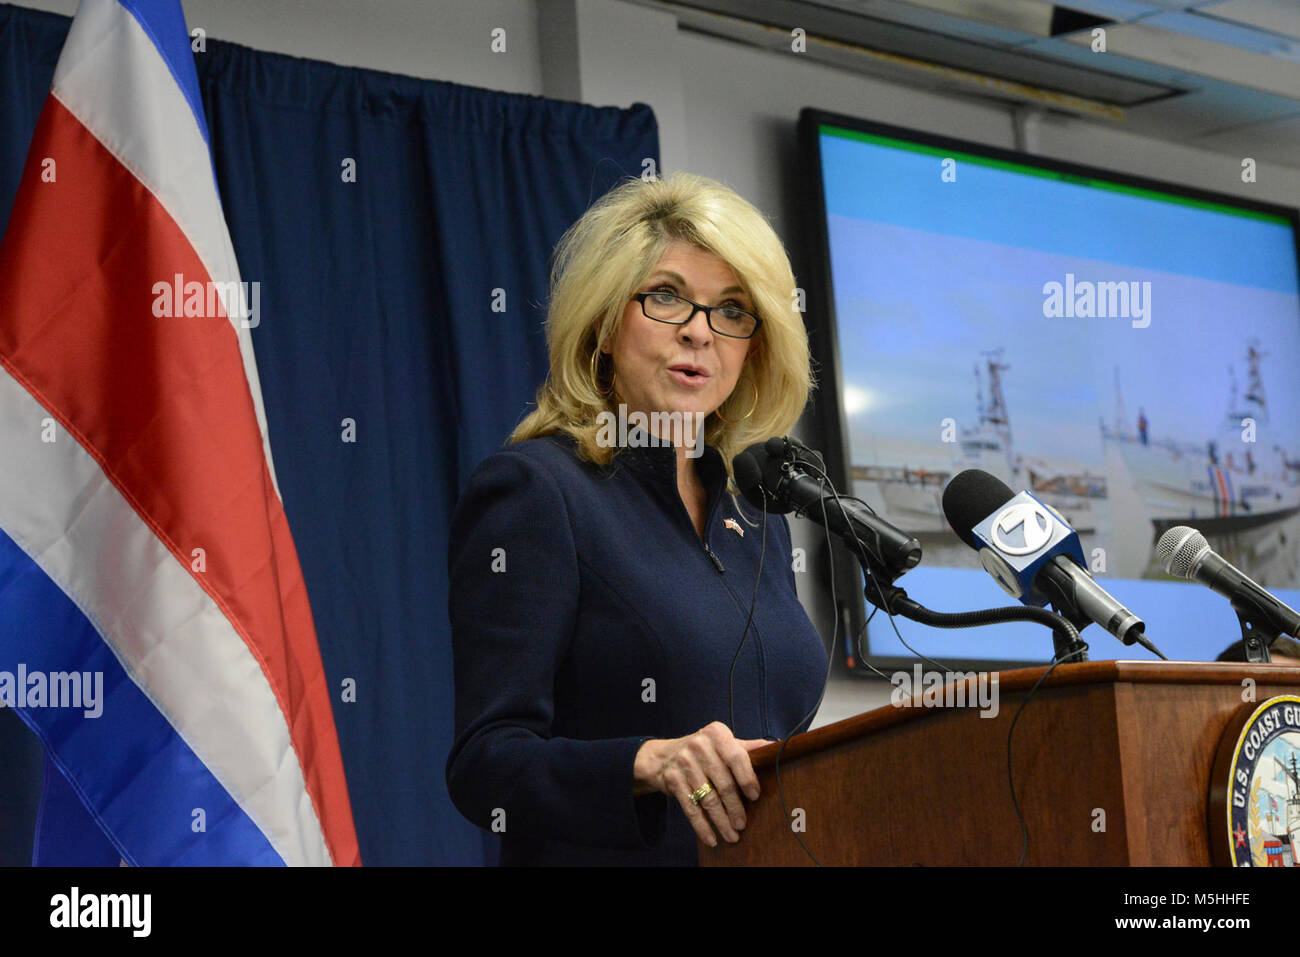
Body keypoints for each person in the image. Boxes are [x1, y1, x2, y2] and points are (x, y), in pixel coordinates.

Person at [444, 172, 828, 865]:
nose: (698, 332)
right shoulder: (538, 491)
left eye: (732, 309)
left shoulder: (756, 512)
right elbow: (485, 765)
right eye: (666, 296)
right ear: (602, 324)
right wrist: (649, 763)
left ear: (755, 345)